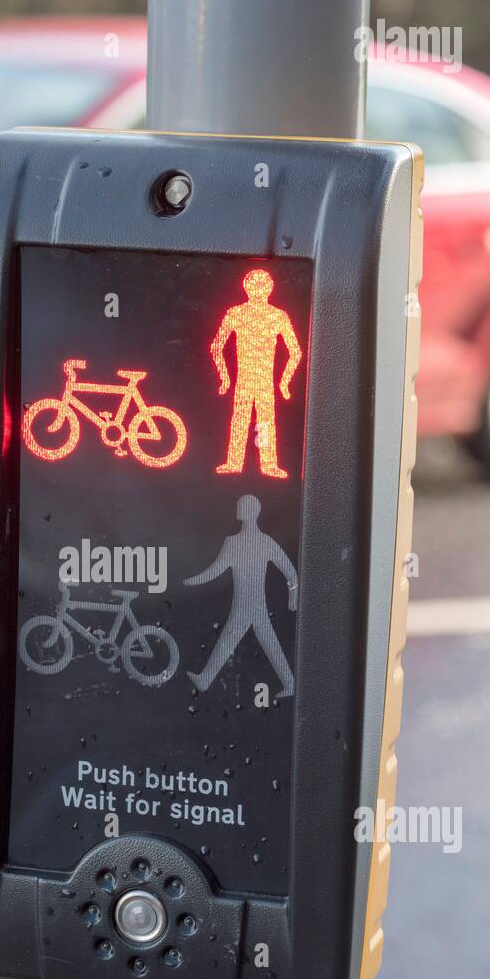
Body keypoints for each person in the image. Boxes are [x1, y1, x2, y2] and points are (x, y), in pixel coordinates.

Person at [186, 495, 297, 696]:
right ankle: (289, 684)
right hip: (249, 606)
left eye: (242, 506)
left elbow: (290, 571)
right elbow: (291, 573)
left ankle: (205, 679)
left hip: (249, 606)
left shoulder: (252, 542)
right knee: (253, 642)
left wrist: (293, 598)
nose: (238, 508)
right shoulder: (245, 542)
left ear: (249, 511)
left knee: (237, 640)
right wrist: (194, 581)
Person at [210, 268, 302, 477]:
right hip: (248, 378)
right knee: (244, 419)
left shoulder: (277, 316)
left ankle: (267, 465)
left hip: (262, 379)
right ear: (247, 288)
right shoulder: (237, 313)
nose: (259, 291)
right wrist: (225, 377)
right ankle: (236, 463)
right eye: (255, 286)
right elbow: (216, 346)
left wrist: (284, 382)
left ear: (269, 288)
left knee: (262, 421)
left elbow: (295, 352)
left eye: (262, 286)